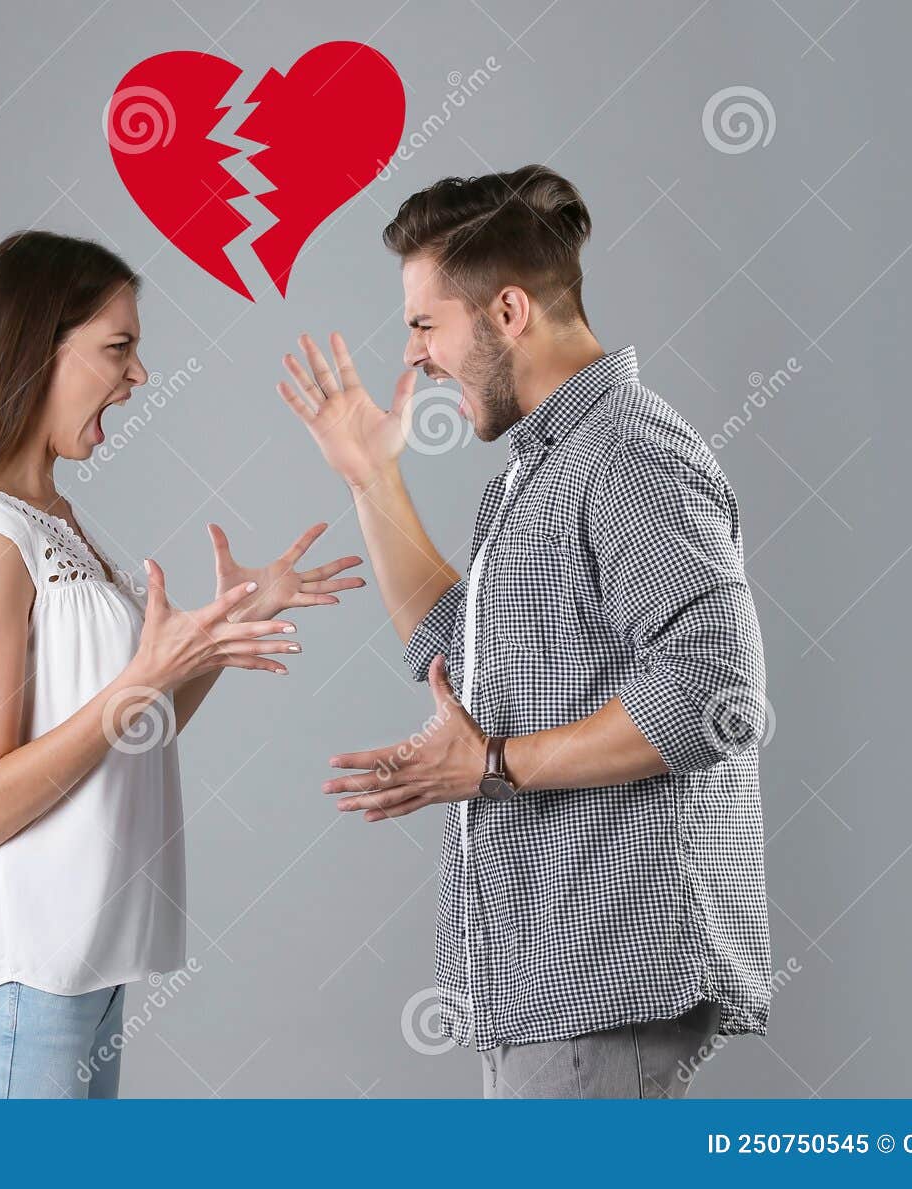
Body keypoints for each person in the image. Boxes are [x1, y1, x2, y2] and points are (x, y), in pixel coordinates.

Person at [277, 165, 771, 1098]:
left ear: (507, 313)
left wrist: (495, 763)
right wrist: (371, 480)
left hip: (604, 988)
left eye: (427, 324)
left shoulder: (628, 454)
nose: (415, 355)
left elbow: (715, 698)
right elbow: (464, 656)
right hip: (556, 995)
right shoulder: (543, 468)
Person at [0, 230, 365, 1097]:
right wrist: (146, 675)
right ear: (38, 349)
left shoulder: (56, 522)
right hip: (9, 978)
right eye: (119, 348)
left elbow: (125, 729)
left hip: (69, 977)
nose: (139, 375)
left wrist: (210, 643)